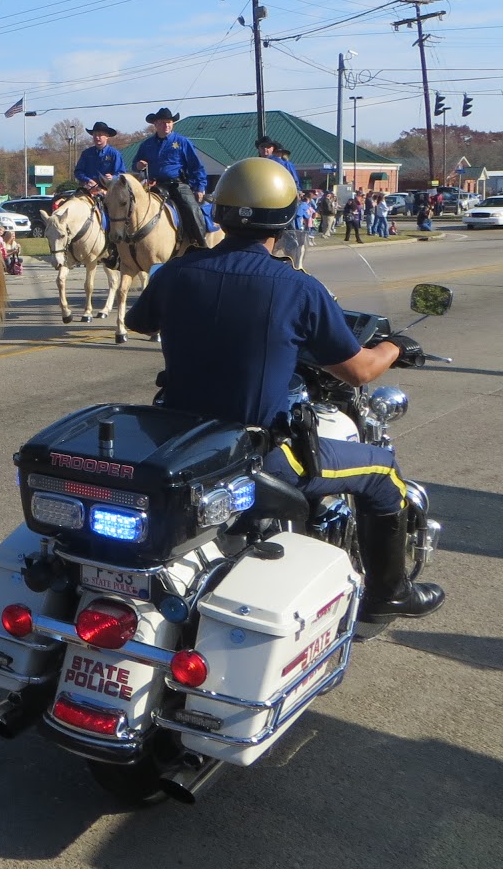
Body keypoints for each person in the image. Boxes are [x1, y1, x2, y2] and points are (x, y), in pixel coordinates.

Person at [125, 157, 443, 622]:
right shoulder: (298, 288)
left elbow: (138, 323)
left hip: (181, 443)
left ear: (220, 212)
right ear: (287, 217)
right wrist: (396, 345)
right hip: (258, 455)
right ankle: (389, 594)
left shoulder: (176, 273)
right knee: (383, 472)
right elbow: (360, 372)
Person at [133, 107, 209, 249]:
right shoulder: (146, 145)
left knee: (190, 208)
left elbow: (196, 166)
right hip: (154, 186)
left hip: (177, 185)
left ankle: (200, 243)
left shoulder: (182, 142)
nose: (166, 125)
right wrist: (138, 165)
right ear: (155, 124)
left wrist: (200, 187)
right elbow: (135, 165)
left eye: (169, 122)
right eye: (162, 122)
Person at [73, 121, 125, 193]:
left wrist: (112, 177)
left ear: (107, 136)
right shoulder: (86, 154)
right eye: (95, 135)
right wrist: (88, 180)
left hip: (109, 192)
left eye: (100, 135)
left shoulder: (115, 154)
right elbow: (78, 172)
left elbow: (121, 174)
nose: (97, 137)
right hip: (88, 190)